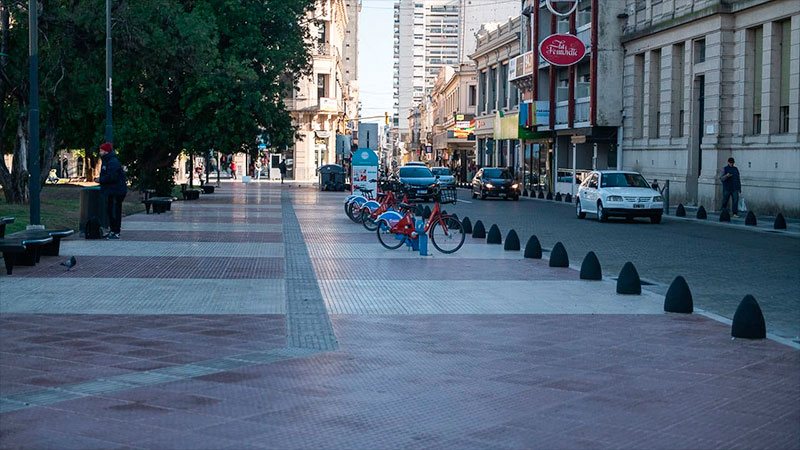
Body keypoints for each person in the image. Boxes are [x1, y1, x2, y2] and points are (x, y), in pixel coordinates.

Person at [97, 142, 127, 240]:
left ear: (106, 151)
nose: (100, 152)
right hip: (111, 190)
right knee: (111, 210)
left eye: (101, 150)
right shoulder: (107, 161)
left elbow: (112, 177)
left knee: (114, 211)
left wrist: (100, 180)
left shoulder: (112, 162)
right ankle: (113, 230)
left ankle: (116, 231)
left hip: (116, 191)